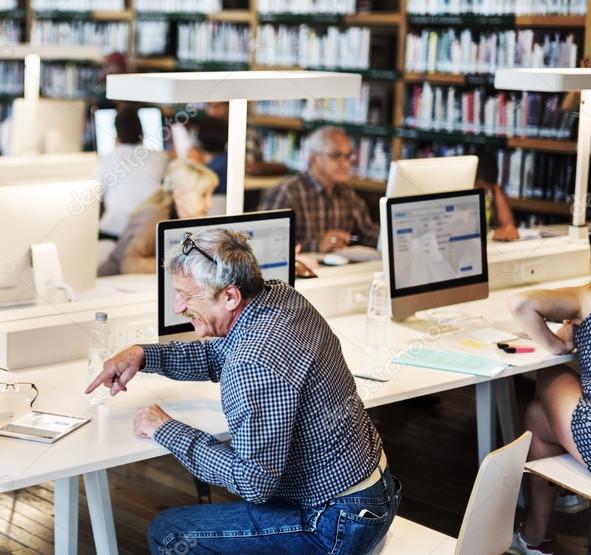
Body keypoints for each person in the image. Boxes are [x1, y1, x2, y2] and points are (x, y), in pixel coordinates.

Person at [86, 228, 399, 554]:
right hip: (378, 492)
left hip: (335, 525)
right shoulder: (282, 297)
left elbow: (254, 482)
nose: (178, 307)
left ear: (231, 297)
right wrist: (144, 354)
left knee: (169, 533)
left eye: (186, 296)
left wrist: (165, 429)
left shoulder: (252, 362)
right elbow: (218, 355)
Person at [509, 284, 591, 555]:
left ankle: (538, 531)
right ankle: (533, 538)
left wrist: (561, 343)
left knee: (549, 373)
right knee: (537, 416)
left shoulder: (586, 296)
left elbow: (521, 303)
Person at [260, 125, 379, 253]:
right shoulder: (287, 192)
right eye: (336, 155)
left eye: (348, 156)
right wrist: (316, 245)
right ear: (314, 159)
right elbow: (266, 246)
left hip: (340, 263)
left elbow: (368, 232)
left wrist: (392, 233)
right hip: (301, 265)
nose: (345, 163)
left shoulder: (348, 193)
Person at [98, 160, 217, 276]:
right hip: (110, 283)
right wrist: (176, 265)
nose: (210, 204)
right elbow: (128, 264)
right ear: (179, 197)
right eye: (203, 195)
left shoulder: (186, 219)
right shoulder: (155, 216)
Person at [97, 107, 170, 239]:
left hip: (114, 230)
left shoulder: (107, 158)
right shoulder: (160, 158)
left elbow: (97, 192)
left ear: (117, 134)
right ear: (141, 131)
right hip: (149, 231)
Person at [475, 150, 519, 242]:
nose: (485, 194)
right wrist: (493, 235)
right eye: (481, 188)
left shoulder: (489, 195)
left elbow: (508, 226)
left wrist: (496, 189)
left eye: (487, 190)